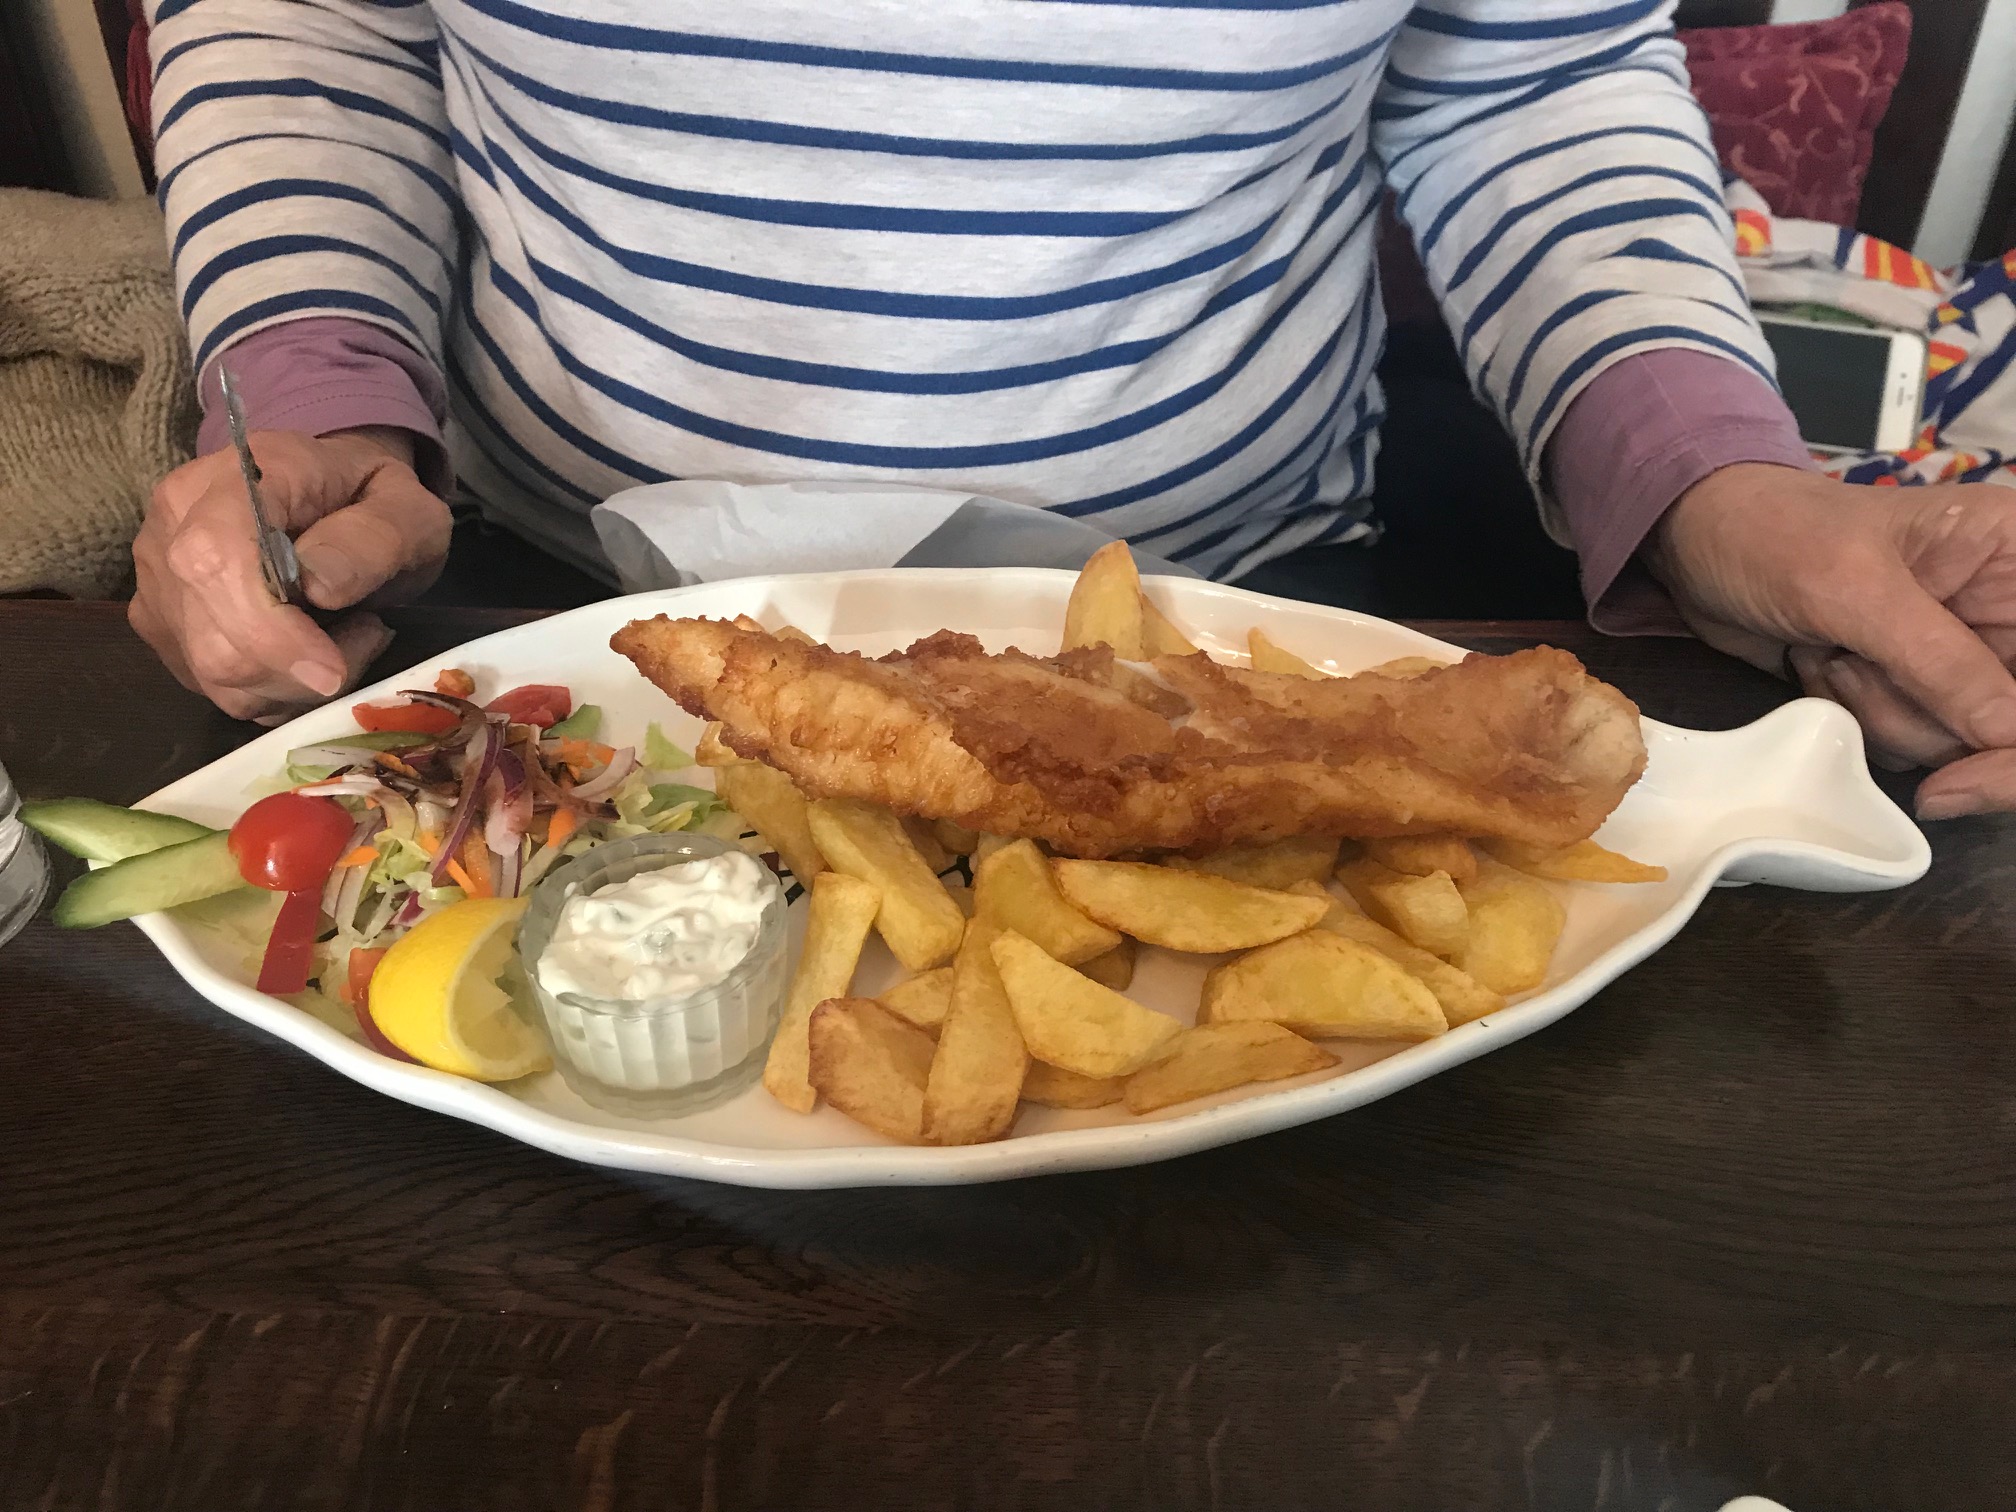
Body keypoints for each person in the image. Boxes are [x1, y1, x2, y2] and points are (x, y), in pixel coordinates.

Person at [129, 0, 2016, 818]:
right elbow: (314, 25)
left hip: (1252, 631)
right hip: (559, 608)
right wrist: (318, 389)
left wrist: (1718, 481)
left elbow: (1527, 83)